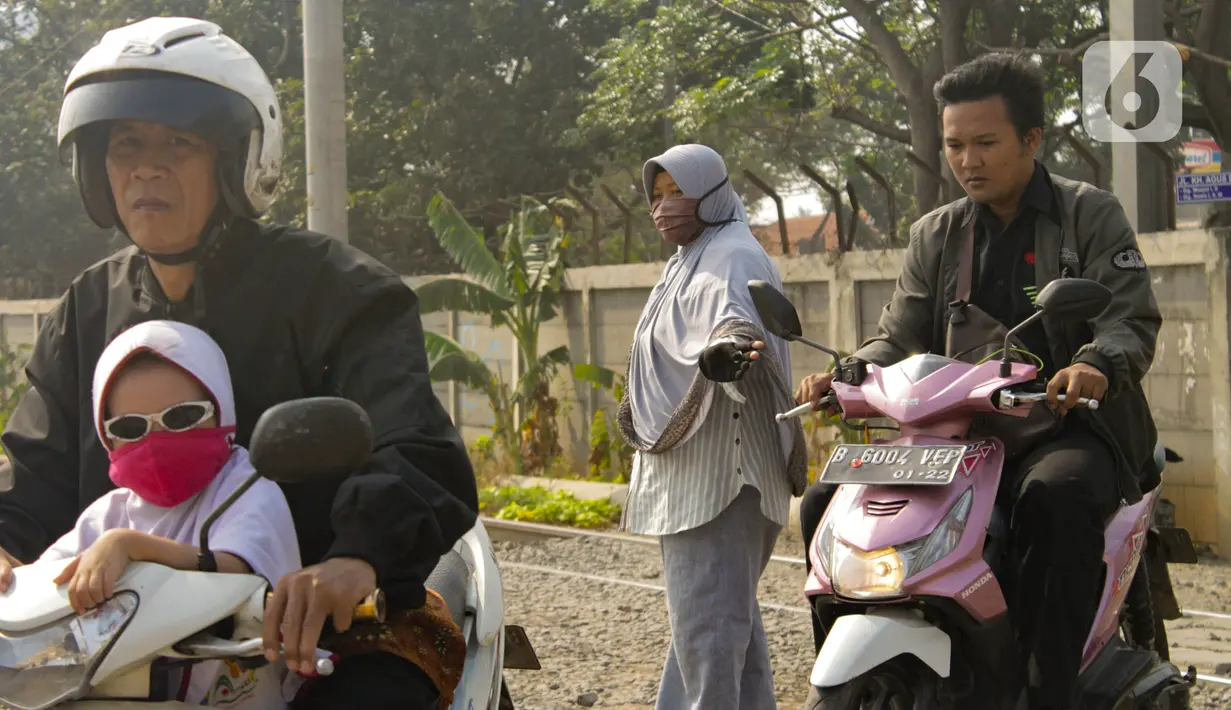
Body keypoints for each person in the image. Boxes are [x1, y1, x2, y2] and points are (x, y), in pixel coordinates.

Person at [0, 17, 476, 709]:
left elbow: (416, 445)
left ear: (237, 160)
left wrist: (355, 556)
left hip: (317, 615)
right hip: (118, 627)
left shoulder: (337, 288)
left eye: (177, 143)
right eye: (126, 144)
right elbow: (34, 466)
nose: (146, 167)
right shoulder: (85, 310)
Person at [794, 53, 1162, 710]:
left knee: (1055, 499)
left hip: (1068, 427)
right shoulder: (936, 233)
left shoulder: (1088, 216)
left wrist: (1093, 367)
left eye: (985, 143)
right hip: (957, 434)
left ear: (1030, 140)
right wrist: (846, 372)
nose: (968, 161)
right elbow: (898, 335)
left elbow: (1126, 319)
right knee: (825, 501)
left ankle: (1045, 689)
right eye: (955, 145)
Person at [617, 143, 808, 710]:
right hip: (694, 475)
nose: (664, 206)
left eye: (678, 191)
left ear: (714, 191)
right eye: (656, 195)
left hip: (723, 477)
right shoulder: (689, 257)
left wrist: (729, 346)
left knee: (709, 638)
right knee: (723, 635)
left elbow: (736, 321)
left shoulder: (732, 255)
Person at [34, 319, 301, 707]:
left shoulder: (247, 489)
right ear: (107, 438)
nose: (157, 440)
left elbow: (237, 574)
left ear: (221, 412)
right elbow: (45, 586)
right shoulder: (108, 514)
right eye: (130, 426)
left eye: (181, 417)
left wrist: (130, 546)